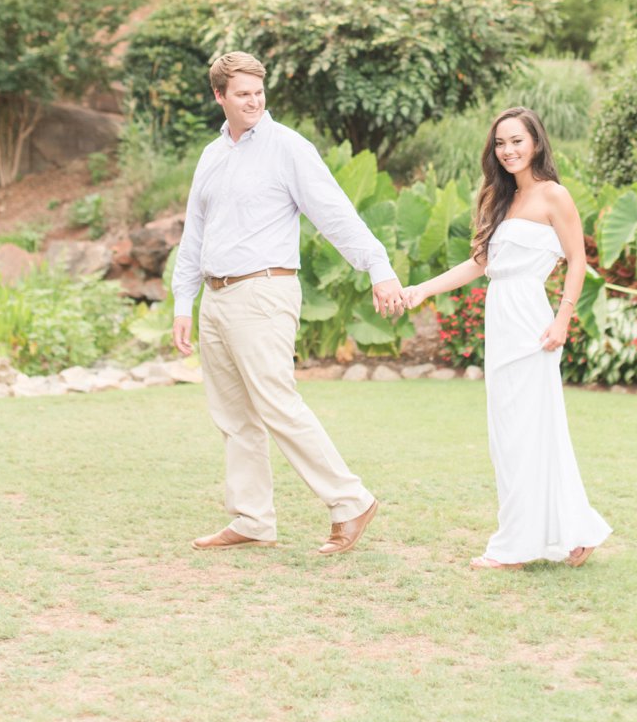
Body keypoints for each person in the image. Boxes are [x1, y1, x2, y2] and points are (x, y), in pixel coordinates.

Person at [172, 51, 402, 556]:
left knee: (277, 403)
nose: (253, 101)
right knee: (233, 415)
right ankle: (252, 519)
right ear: (219, 97)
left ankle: (351, 500)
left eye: (259, 92)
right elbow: (195, 233)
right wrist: (182, 301)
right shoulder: (211, 156)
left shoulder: (287, 148)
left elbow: (334, 212)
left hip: (264, 291)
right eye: (242, 94)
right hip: (215, 297)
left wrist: (378, 267)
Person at [404, 106, 611, 569]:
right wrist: (421, 290)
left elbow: (577, 260)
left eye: (517, 140)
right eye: (500, 143)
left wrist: (563, 319)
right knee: (508, 435)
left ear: (535, 141)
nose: (508, 150)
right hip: (501, 318)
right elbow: (479, 265)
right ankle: (575, 531)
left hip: (532, 320)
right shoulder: (498, 198)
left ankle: (517, 546)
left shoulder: (554, 195)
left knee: (528, 432)